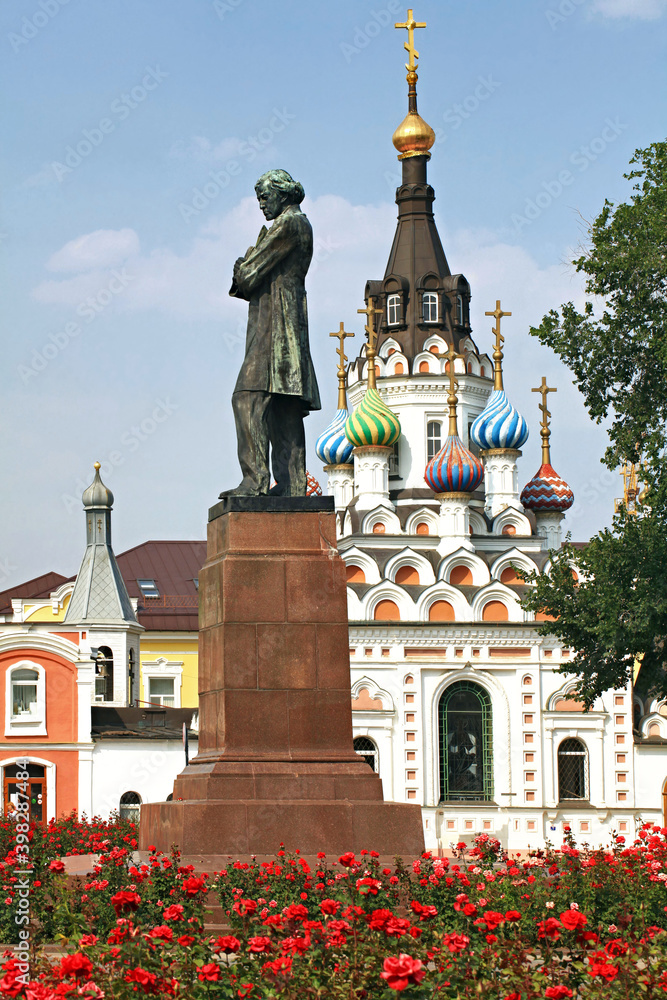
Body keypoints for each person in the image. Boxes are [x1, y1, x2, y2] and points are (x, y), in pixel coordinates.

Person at [221, 168, 321, 497]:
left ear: (283, 194)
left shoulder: (289, 224)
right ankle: (292, 485)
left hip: (277, 327)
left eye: (265, 197)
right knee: (282, 407)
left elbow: (247, 276)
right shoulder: (294, 224)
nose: (261, 204)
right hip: (282, 324)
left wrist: (243, 263)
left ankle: (255, 480)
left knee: (247, 397)